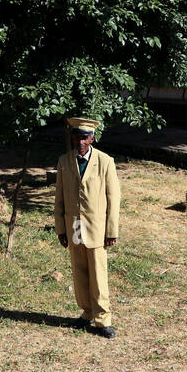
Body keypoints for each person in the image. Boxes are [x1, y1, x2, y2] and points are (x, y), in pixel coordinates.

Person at [53, 116, 121, 338]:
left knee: (98, 274)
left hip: (97, 229)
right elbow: (59, 198)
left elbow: (113, 198)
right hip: (74, 226)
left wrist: (111, 230)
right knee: (79, 273)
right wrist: (61, 229)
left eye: (85, 137)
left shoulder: (105, 162)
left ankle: (103, 319)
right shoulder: (64, 162)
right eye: (77, 137)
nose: (80, 142)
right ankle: (87, 312)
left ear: (92, 139)